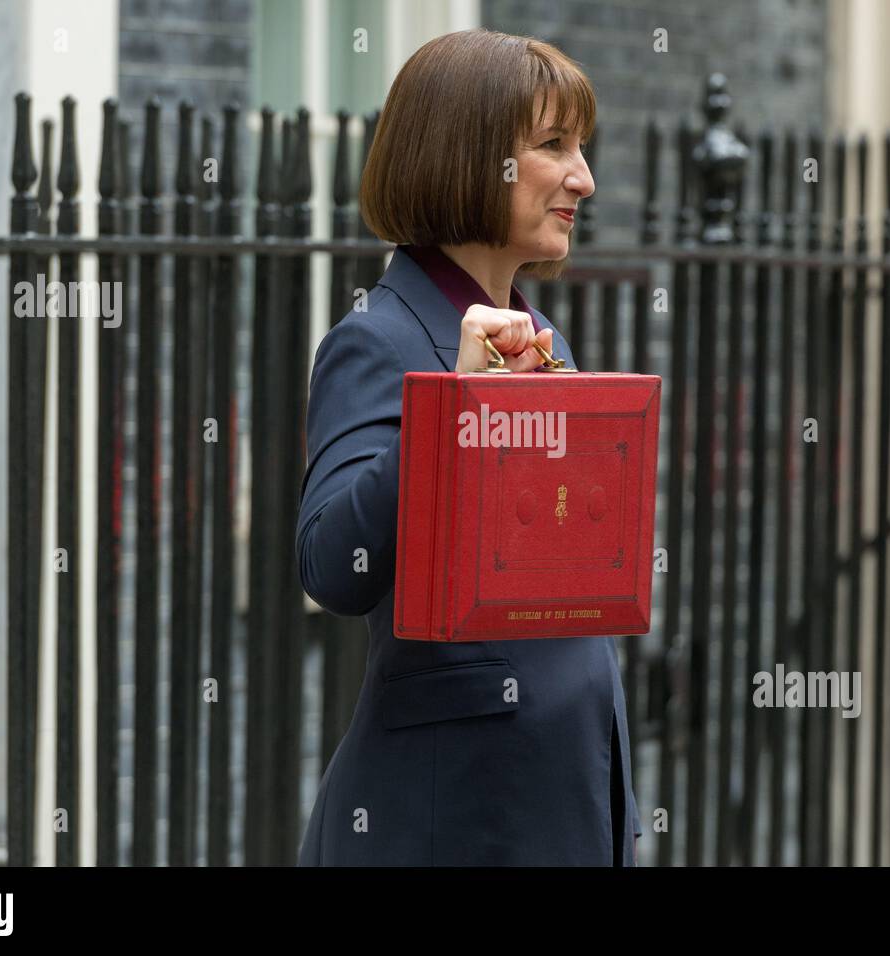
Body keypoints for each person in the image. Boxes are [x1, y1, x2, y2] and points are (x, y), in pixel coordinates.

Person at [295, 28, 641, 866]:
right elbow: (333, 567)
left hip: (570, 806)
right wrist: (456, 405)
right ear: (470, 156)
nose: (583, 178)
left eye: (581, 147)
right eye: (553, 145)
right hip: (451, 823)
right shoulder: (377, 339)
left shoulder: (543, 332)